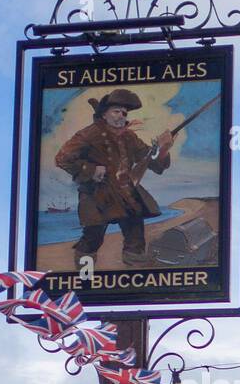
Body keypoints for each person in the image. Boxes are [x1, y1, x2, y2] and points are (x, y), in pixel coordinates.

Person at [53, 89, 173, 270]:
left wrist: (163, 149)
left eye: (124, 113)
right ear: (104, 114)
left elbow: (153, 163)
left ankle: (135, 276)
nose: (121, 116)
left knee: (135, 235)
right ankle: (84, 279)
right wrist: (91, 169)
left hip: (125, 193)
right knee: (93, 236)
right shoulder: (88, 134)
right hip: (95, 194)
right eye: (116, 111)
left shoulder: (129, 136)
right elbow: (62, 158)